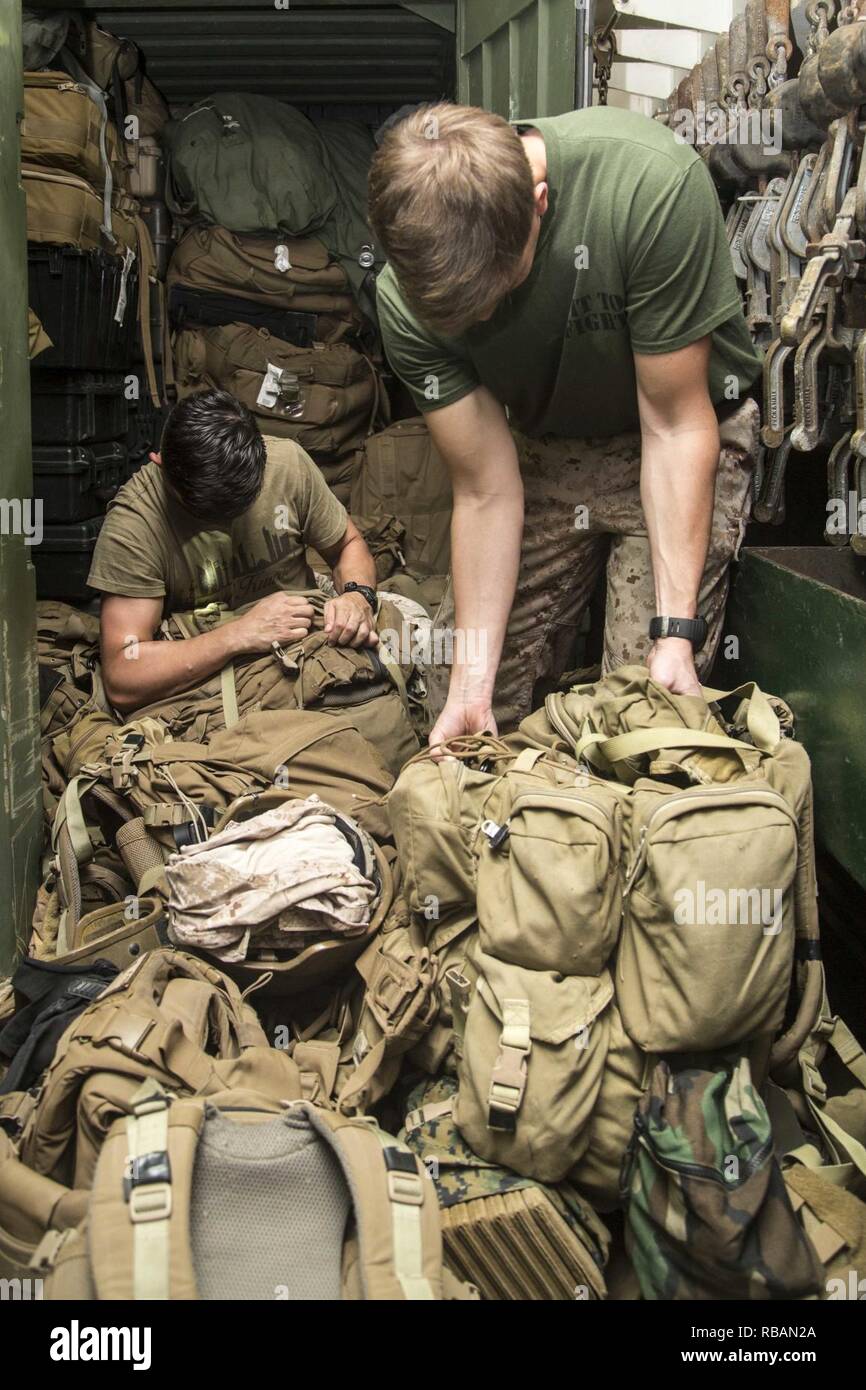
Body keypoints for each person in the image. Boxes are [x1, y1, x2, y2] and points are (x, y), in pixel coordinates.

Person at [368, 102, 763, 743]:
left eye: (496, 292)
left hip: (673, 438)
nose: (482, 317)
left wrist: (675, 633)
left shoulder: (648, 186)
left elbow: (674, 425)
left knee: (639, 716)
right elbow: (484, 488)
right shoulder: (405, 296)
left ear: (539, 202)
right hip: (547, 446)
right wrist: (472, 687)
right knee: (460, 702)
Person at [88, 389, 380, 714]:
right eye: (205, 514)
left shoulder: (286, 464)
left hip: (305, 649)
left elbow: (347, 547)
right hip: (209, 676)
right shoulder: (135, 522)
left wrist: (357, 596)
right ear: (159, 463)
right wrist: (237, 636)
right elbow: (122, 674)